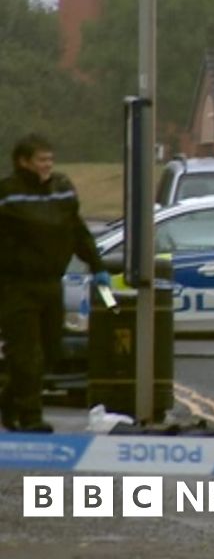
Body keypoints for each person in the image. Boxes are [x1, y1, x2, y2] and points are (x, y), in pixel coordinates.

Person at [0, 134, 110, 433]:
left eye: (50, 159)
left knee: (49, 351)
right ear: (23, 162)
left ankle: (8, 400)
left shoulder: (62, 189)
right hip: (15, 286)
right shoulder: (7, 193)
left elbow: (77, 230)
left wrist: (96, 264)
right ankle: (30, 417)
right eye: (41, 160)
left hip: (51, 283)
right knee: (25, 354)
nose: (48, 165)